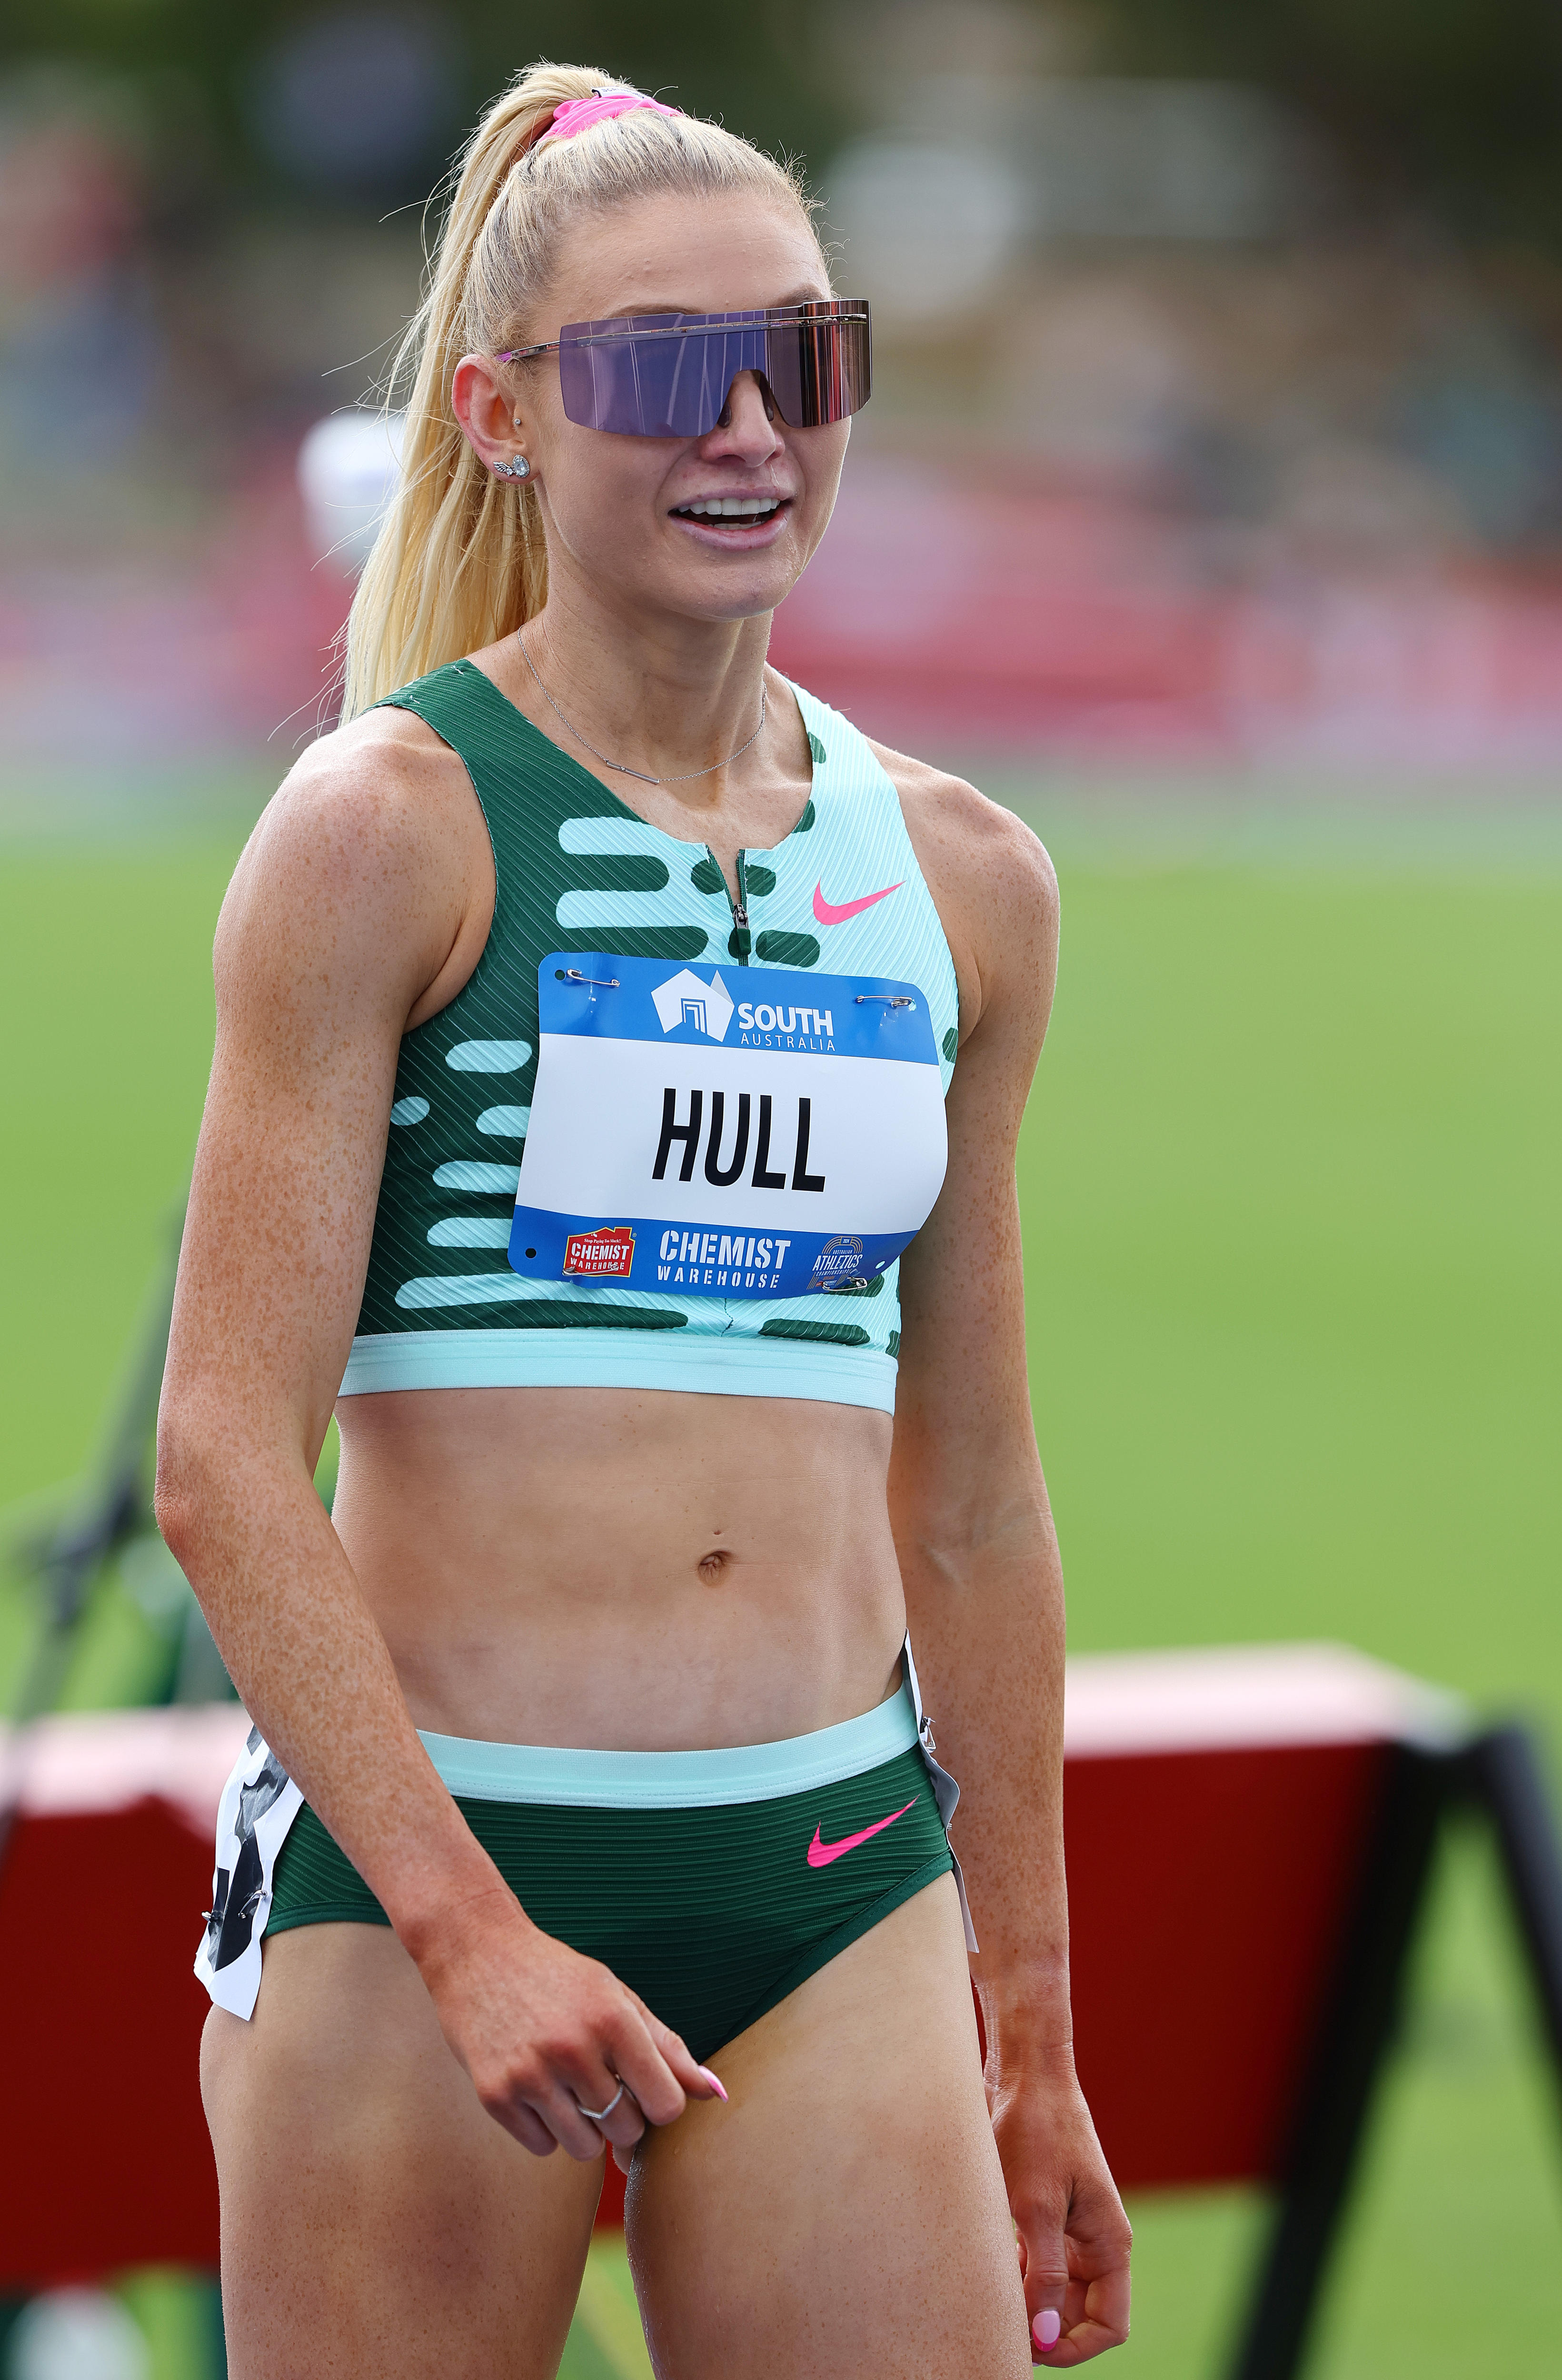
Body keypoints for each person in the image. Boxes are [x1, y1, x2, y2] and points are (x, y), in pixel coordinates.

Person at [156, 61, 1132, 2380]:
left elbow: (977, 1503)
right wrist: (468, 1929)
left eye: (801, 358)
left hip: (831, 1874)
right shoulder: (386, 830)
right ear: (501, 413)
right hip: (431, 1887)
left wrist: (1036, 2022)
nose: (751, 430)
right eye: (666, 369)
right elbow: (220, 1459)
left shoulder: (965, 877)